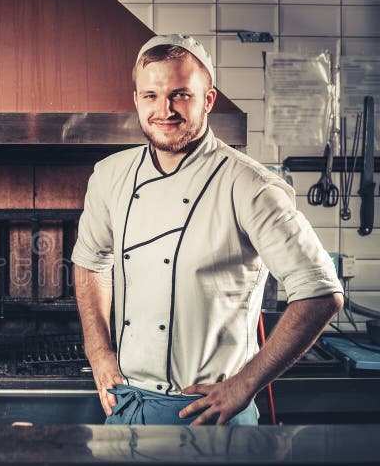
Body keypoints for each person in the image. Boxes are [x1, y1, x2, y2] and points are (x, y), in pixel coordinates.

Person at [71, 34, 344, 426]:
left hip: (210, 416)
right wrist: (98, 353)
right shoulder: (110, 176)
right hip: (126, 408)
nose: (164, 110)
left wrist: (243, 385)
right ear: (136, 100)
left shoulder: (249, 185)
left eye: (180, 95)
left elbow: (320, 292)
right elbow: (91, 261)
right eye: (151, 96)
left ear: (208, 100)